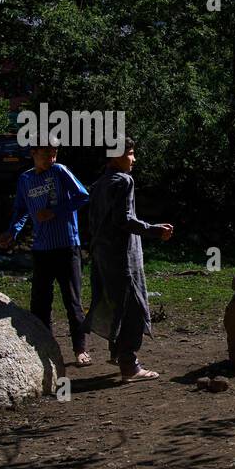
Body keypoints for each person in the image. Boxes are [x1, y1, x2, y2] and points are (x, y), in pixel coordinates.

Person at [84, 139, 173, 382]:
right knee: (133, 307)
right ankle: (129, 365)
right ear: (115, 157)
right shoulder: (124, 181)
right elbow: (124, 220)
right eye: (130, 154)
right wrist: (155, 230)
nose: (133, 159)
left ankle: (117, 353)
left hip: (102, 254)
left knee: (115, 304)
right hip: (121, 256)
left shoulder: (99, 184)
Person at [0, 137, 91, 366]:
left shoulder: (60, 171)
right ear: (33, 153)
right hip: (41, 248)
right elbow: (21, 210)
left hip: (66, 245)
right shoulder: (25, 179)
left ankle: (81, 349)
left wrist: (55, 211)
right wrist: (12, 232)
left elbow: (83, 196)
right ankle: (45, 347)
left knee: (72, 301)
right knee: (40, 302)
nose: (51, 158)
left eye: (54, 153)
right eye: (46, 153)